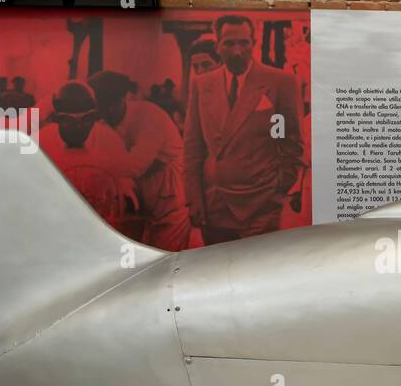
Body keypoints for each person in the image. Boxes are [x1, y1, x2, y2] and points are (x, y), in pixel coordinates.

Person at [183, 15, 304, 245]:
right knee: (218, 273)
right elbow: (193, 149)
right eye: (229, 43)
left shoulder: (280, 83)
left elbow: (290, 144)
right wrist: (194, 200)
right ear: (218, 46)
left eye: (244, 43)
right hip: (214, 204)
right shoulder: (201, 85)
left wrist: (277, 191)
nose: (237, 51)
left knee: (258, 273)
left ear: (254, 44)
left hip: (260, 206)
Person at [88, 70, 190, 251]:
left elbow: (135, 166)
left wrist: (101, 165)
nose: (107, 112)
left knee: (168, 262)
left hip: (171, 201)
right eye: (102, 108)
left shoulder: (149, 116)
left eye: (110, 106)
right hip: (145, 208)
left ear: (122, 99)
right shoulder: (104, 123)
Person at [38, 82, 155, 230]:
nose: (78, 127)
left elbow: (126, 181)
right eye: (69, 121)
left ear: (93, 117)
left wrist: (127, 197)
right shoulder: (42, 142)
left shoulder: (108, 140)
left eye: (85, 120)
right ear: (57, 119)